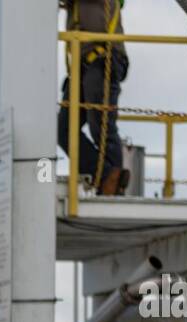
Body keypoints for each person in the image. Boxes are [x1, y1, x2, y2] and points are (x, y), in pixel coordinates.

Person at [57, 0, 131, 196]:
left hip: (103, 57)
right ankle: (107, 176)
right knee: (63, 129)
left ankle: (113, 188)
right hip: (83, 64)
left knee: (101, 126)